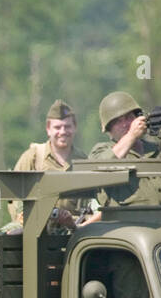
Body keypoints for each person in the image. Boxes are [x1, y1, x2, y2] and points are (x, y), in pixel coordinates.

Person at [6, 99, 96, 232]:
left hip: (71, 233)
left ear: (75, 127)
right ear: (48, 129)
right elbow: (13, 193)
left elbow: (91, 201)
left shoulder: (83, 161)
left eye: (67, 126)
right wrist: (23, 217)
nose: (63, 131)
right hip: (36, 232)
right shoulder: (34, 157)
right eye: (57, 127)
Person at [87, 92, 161, 208]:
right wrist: (131, 135)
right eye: (118, 121)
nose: (125, 124)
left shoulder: (159, 149)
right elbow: (101, 166)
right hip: (126, 222)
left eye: (129, 118)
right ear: (109, 129)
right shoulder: (100, 151)